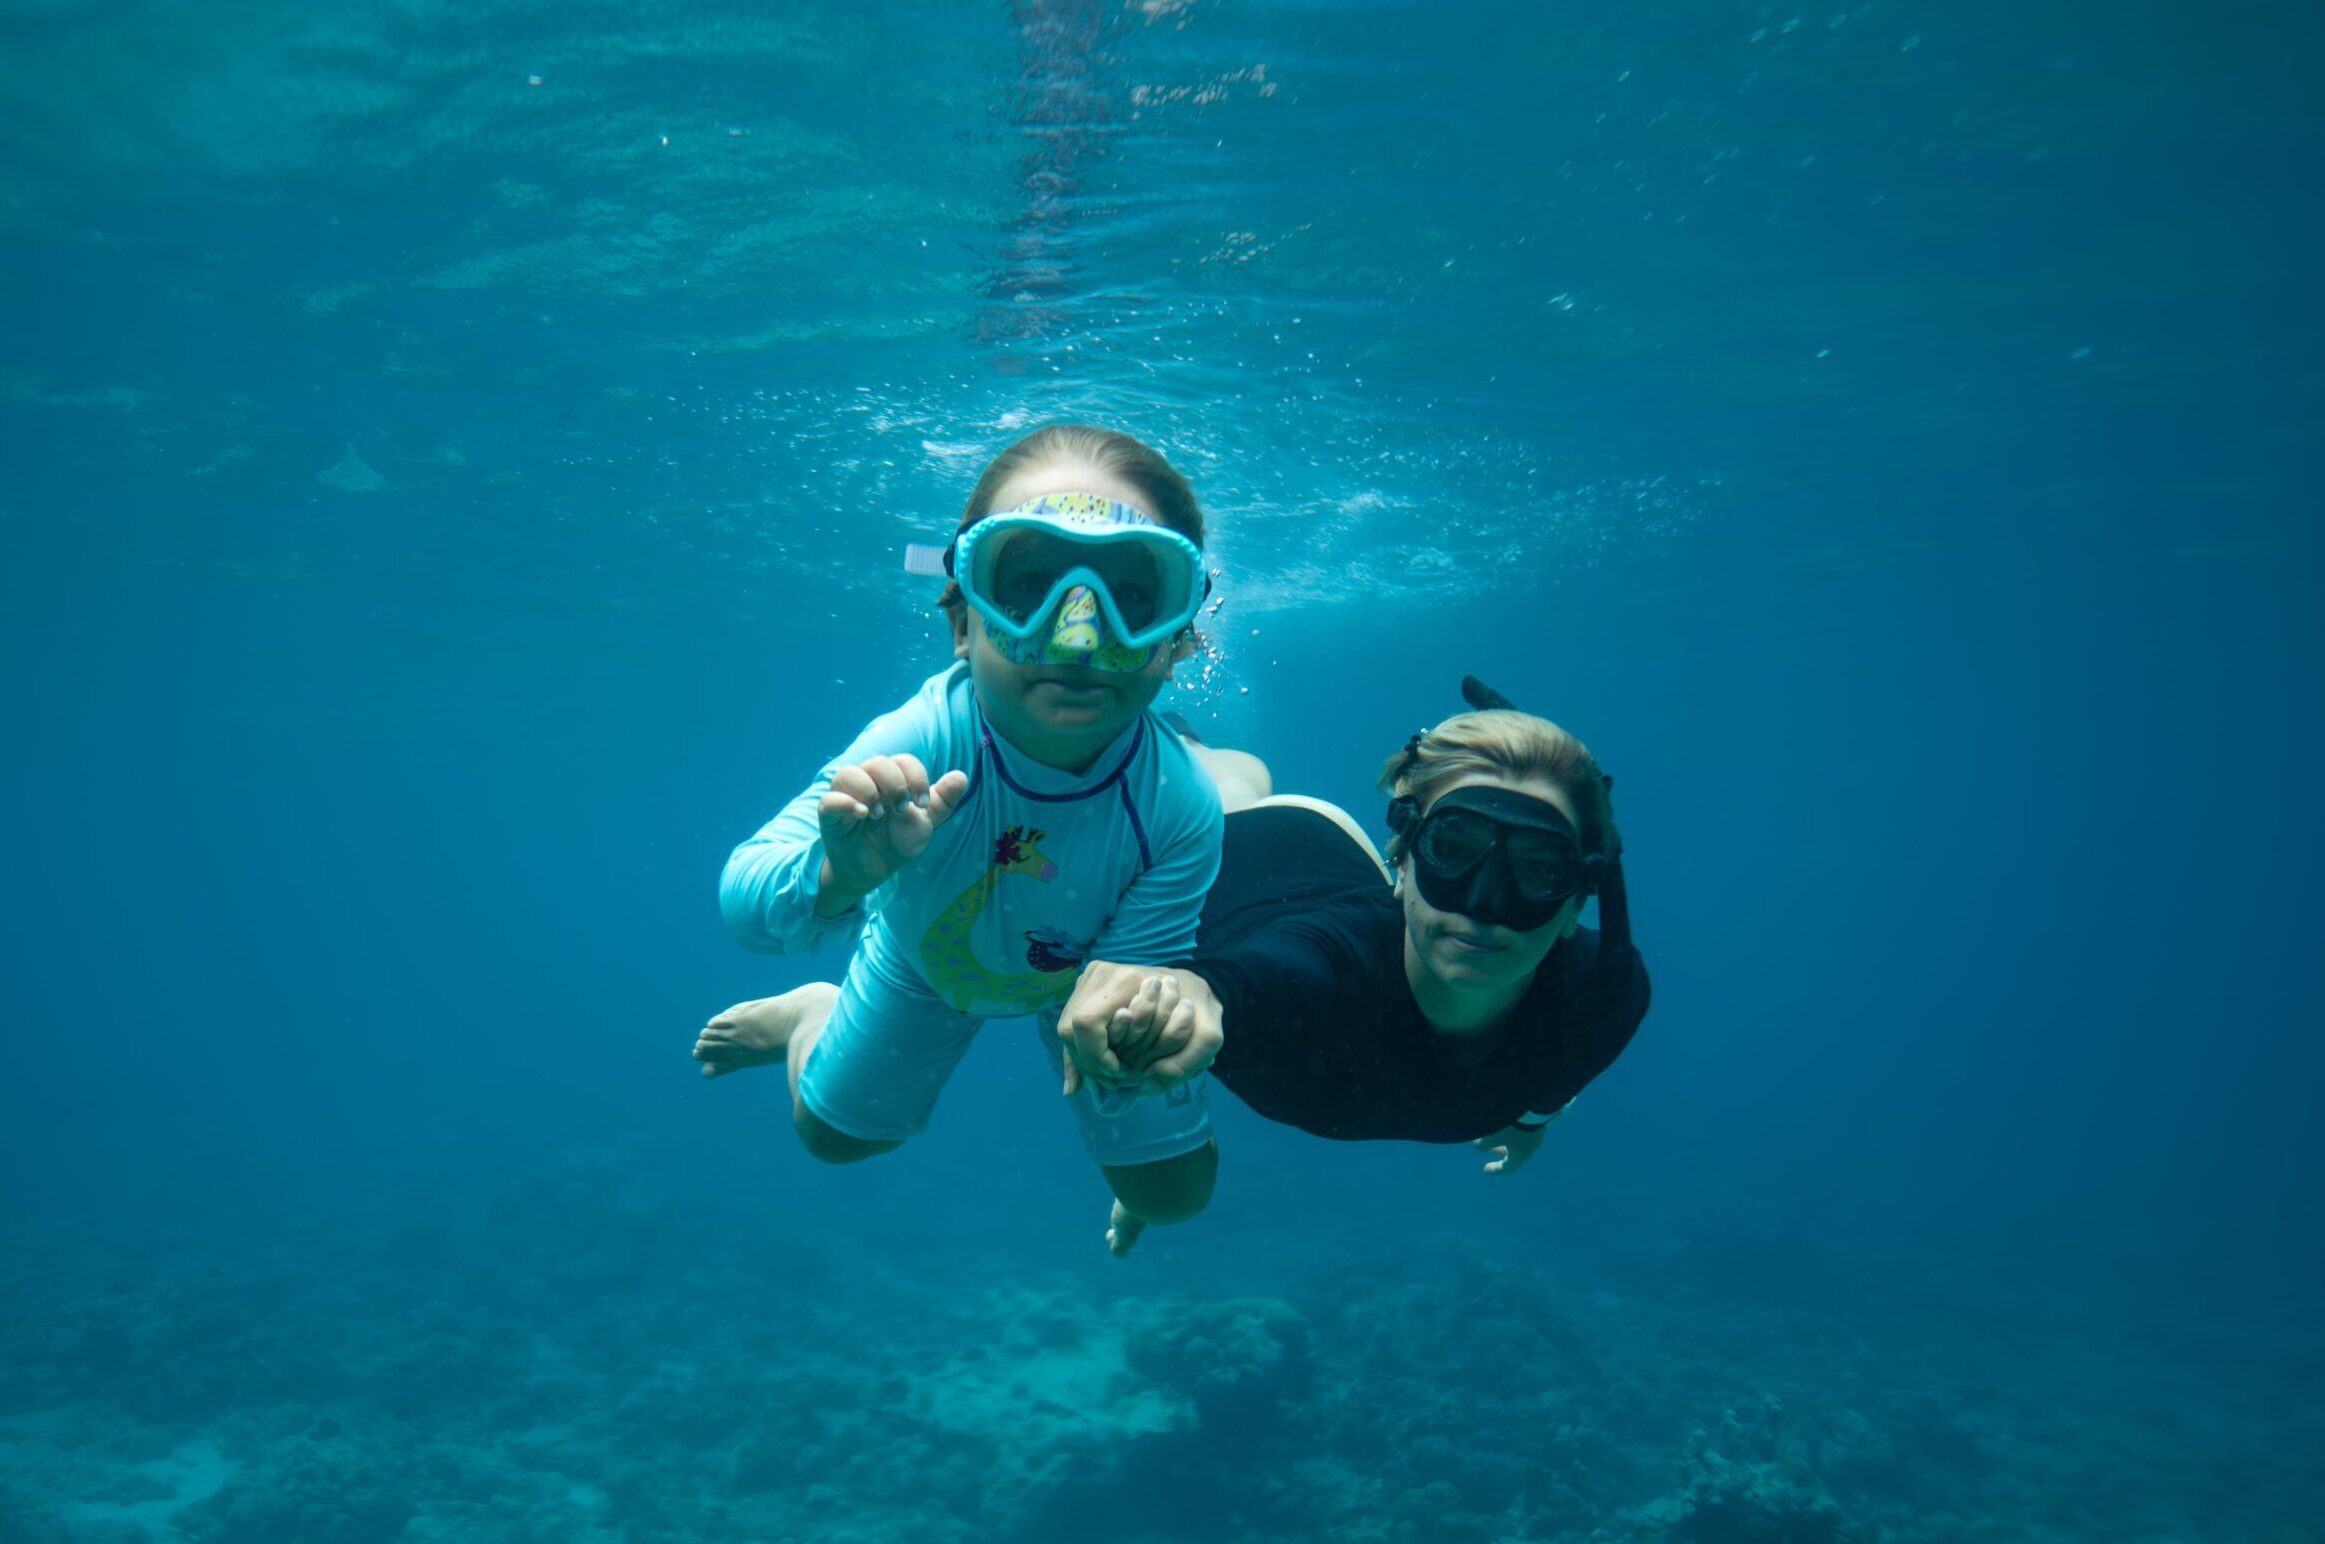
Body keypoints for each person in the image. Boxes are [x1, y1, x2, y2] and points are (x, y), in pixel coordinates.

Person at [695, 424, 1226, 1238]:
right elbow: (745, 900)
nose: (1077, 637)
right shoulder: (916, 743)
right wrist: (837, 876)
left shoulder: (1182, 804)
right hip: (919, 963)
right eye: (1028, 585)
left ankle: (1143, 1178)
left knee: (1174, 1198)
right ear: (961, 622)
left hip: (1081, 986)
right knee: (833, 1139)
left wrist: (1139, 1025)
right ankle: (814, 1014)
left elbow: (1134, 973)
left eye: (1130, 596)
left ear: (1180, 636)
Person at [1058, 679, 1650, 1255]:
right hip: (1252, 851)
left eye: (1540, 869)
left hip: (1332, 873)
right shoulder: (1319, 972)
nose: (1484, 905)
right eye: (1454, 848)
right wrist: (1170, 995)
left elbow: (1565, 1068)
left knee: (1242, 783)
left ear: (1577, 900)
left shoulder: (1602, 991)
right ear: (1403, 860)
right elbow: (1239, 983)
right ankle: (1181, 742)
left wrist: (1530, 1120)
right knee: (1226, 788)